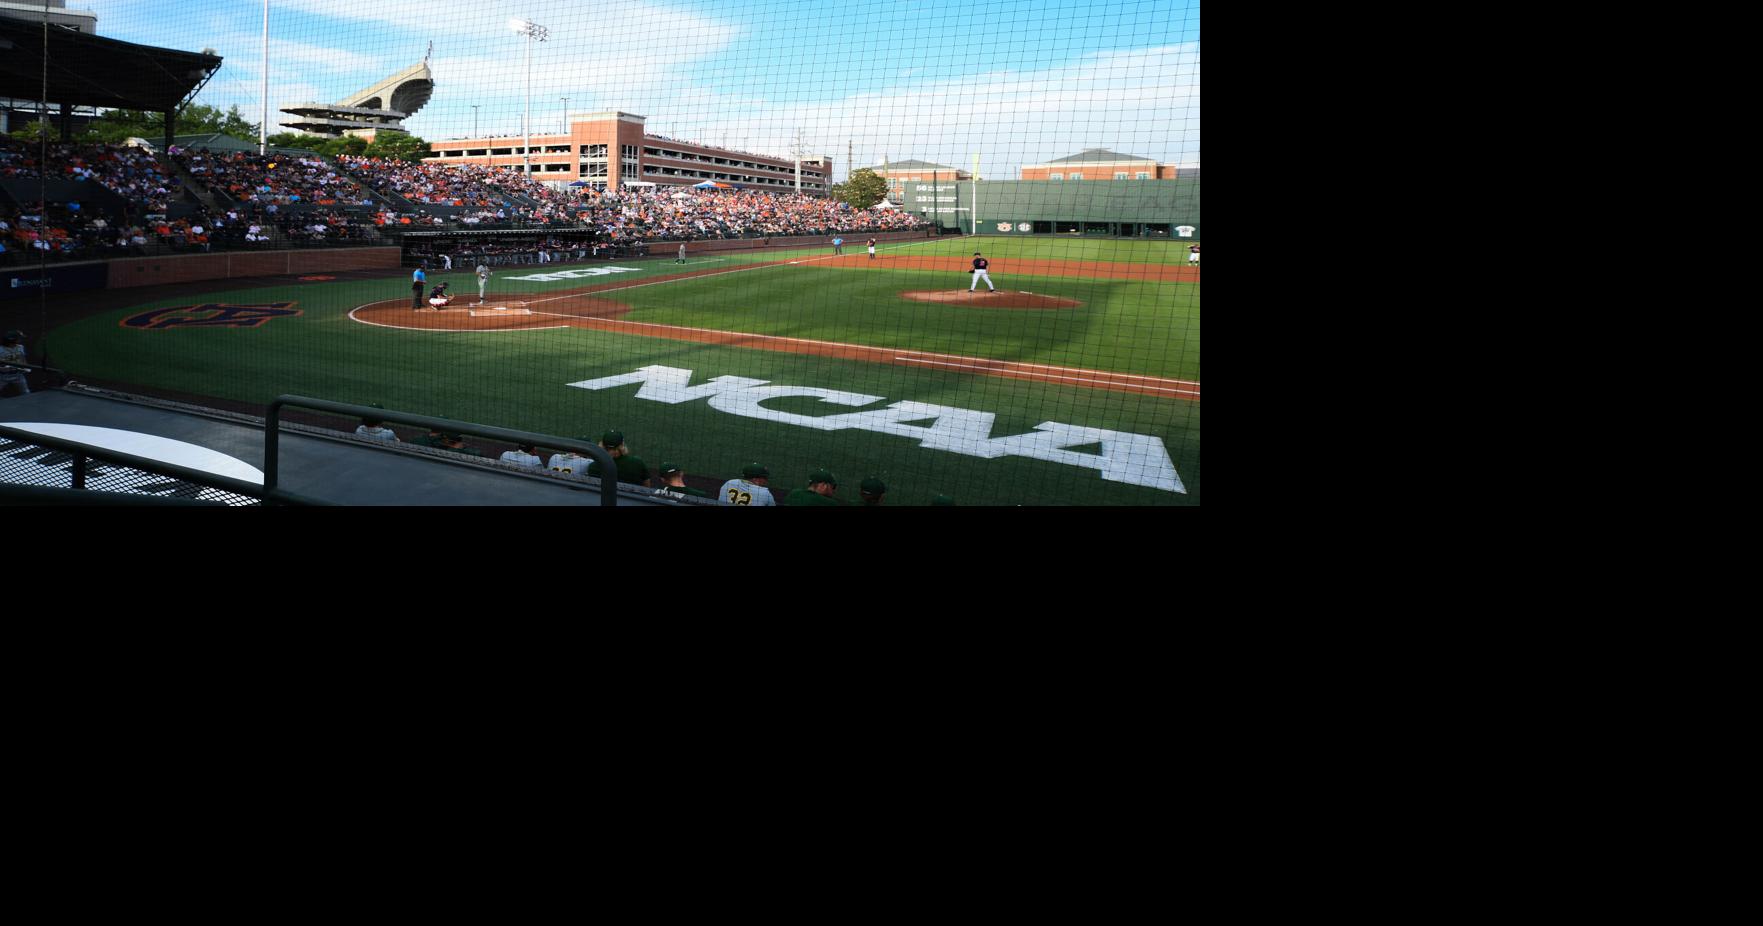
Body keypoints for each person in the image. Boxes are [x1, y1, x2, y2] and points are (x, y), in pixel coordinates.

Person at [585, 429, 650, 487]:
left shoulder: (593, 466)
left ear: (602, 445)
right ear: (622, 445)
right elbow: (647, 486)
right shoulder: (637, 463)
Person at [0, 330, 29, 397]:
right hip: (2, 377)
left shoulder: (20, 347)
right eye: (18, 338)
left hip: (18, 375)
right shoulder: (0, 350)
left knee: (26, 392)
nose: (20, 340)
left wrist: (25, 367)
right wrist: (2, 368)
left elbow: (23, 359)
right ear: (12, 340)